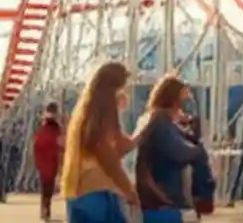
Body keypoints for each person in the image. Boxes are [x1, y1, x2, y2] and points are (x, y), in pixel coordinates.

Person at [61, 61, 140, 223]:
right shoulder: (103, 114)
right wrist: (128, 189)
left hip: (78, 190)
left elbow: (121, 145)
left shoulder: (85, 112)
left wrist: (143, 128)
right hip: (98, 191)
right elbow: (107, 155)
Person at [135, 75, 212, 223]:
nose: (186, 104)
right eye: (184, 98)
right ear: (174, 99)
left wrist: (189, 131)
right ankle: (203, 197)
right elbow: (179, 152)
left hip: (162, 195)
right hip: (161, 197)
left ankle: (201, 198)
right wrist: (197, 150)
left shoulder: (157, 118)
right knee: (199, 153)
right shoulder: (160, 120)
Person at [33, 102, 64, 221]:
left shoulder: (43, 128)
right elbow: (60, 143)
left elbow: (37, 144)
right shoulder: (56, 129)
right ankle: (46, 210)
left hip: (44, 157)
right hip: (50, 157)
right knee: (48, 186)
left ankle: (45, 209)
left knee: (45, 185)